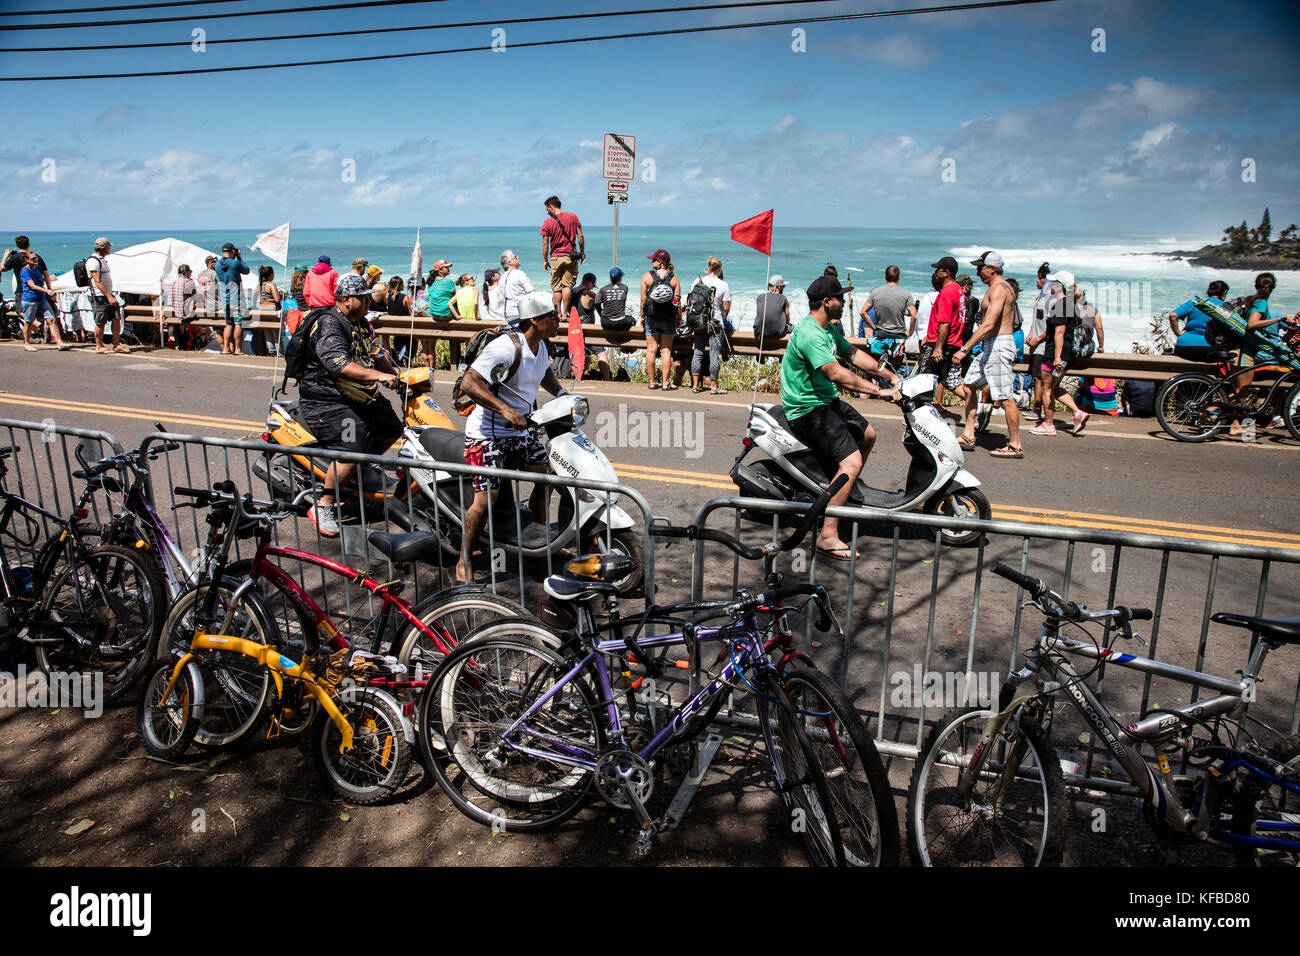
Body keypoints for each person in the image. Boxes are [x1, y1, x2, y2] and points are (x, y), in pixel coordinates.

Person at [781, 275, 900, 560]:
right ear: (826, 302)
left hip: (826, 401)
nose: (844, 301)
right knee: (852, 460)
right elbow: (835, 373)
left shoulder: (828, 329)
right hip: (807, 408)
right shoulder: (810, 333)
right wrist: (877, 391)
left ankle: (845, 488)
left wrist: (888, 375)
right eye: (840, 298)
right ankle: (828, 535)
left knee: (869, 434)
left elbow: (853, 355)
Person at [457, 290, 568, 584]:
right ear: (534, 319)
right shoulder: (505, 347)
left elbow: (542, 372)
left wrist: (562, 393)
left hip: (521, 429)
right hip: (487, 435)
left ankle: (538, 535)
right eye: (552, 316)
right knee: (486, 500)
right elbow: (470, 382)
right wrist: (504, 410)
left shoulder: (541, 345)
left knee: (549, 475)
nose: (558, 320)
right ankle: (464, 559)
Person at [296, 273, 404, 538]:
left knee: (391, 427)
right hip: (325, 399)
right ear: (345, 299)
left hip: (358, 395)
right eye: (362, 298)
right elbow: (340, 365)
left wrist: (394, 373)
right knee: (353, 442)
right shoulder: (329, 325)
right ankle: (324, 505)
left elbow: (376, 353)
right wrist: (379, 377)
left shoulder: (362, 324)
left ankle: (360, 469)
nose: (368, 303)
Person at [956, 251, 1022, 457]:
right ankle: (968, 433)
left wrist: (965, 348)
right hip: (990, 346)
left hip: (999, 345)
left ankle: (1014, 445)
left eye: (980, 267)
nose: (977, 272)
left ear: (991, 268)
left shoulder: (1000, 289)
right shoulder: (994, 288)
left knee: (1004, 396)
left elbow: (989, 324)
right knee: (969, 384)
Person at [1034, 270, 1087, 436]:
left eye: (1052, 283)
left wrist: (1056, 357)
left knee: (1046, 388)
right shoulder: (1071, 304)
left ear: (1059, 286)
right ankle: (1078, 413)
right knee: (1054, 388)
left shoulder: (1062, 304)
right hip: (1066, 352)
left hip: (1055, 354)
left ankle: (1048, 424)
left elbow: (1059, 332)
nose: (1049, 285)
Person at [917, 255, 969, 414]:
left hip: (941, 344)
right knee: (948, 381)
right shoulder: (958, 290)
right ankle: (978, 404)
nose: (936, 273)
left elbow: (945, 323)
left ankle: (920, 415)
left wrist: (938, 347)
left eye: (938, 270)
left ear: (946, 272)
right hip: (953, 342)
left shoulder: (947, 292)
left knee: (924, 379)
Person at [687, 256, 731, 394]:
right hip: (715, 323)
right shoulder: (723, 285)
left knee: (698, 353)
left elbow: (691, 302)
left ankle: (695, 385)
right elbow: (726, 307)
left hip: (699, 322)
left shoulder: (697, 281)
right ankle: (713, 387)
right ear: (719, 269)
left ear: (708, 267)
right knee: (714, 354)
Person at [859, 265, 915, 370]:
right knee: (897, 370)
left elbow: (863, 312)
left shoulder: (876, 292)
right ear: (899, 277)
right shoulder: (906, 294)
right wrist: (910, 332)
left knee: (882, 370)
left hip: (881, 336)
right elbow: (914, 316)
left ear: (885, 277)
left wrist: (873, 326)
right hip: (899, 338)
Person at [640, 249, 681, 390]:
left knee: (651, 350)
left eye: (653, 260)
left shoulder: (647, 277)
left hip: (651, 317)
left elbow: (643, 300)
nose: (651, 262)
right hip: (669, 318)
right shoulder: (674, 279)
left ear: (661, 262)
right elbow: (677, 303)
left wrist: (642, 316)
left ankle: (652, 382)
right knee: (666, 350)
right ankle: (665, 382)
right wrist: (680, 320)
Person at [540, 195, 584, 319]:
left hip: (555, 257)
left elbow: (545, 243)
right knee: (567, 286)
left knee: (556, 287)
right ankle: (565, 314)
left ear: (551, 207)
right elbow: (580, 236)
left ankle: (558, 313)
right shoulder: (573, 217)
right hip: (571, 256)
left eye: (547, 209)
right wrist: (582, 252)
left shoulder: (547, 222)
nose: (547, 211)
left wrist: (545, 260)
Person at [1168, 280, 1229, 361]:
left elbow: (1173, 315)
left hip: (1184, 347)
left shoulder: (1194, 303)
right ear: (1224, 292)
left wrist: (1178, 333)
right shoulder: (1225, 307)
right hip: (1210, 348)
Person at [19, 251, 67, 351]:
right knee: (29, 322)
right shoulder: (25, 271)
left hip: (42, 298)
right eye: (33, 259)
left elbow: (45, 277)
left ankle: (59, 342)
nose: (36, 260)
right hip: (30, 300)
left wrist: (50, 287)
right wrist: (46, 290)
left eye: (35, 258)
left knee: (52, 319)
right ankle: (27, 343)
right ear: (26, 260)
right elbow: (31, 285)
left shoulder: (38, 268)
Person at [86, 237, 126, 354]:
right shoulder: (93, 261)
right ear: (104, 247)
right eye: (109, 246)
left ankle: (116, 344)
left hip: (108, 294)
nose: (110, 248)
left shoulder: (102, 260)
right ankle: (99, 345)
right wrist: (109, 296)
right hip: (100, 296)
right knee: (100, 321)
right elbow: (97, 281)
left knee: (116, 318)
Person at [1026, 262, 1053, 424]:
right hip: (1036, 343)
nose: (1037, 281)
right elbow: (1037, 320)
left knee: (1038, 378)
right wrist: (1030, 334)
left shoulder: (1050, 300)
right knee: (1036, 377)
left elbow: (1051, 325)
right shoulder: (1040, 297)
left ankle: (1037, 409)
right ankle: (1038, 408)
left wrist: (1038, 338)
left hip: (1042, 345)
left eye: (1040, 279)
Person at [214, 243, 249, 355]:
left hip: (225, 299)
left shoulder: (217, 264)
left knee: (228, 324)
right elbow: (246, 270)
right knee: (238, 323)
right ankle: (238, 349)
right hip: (236, 299)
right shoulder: (235, 263)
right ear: (232, 251)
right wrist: (239, 257)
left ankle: (225, 349)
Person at [423, 259, 456, 368]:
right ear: (440, 270)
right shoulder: (449, 282)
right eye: (447, 267)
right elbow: (455, 297)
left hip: (434, 314)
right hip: (446, 315)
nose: (449, 268)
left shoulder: (430, 284)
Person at [498, 249, 534, 328]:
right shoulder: (519, 274)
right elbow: (531, 293)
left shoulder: (501, 278)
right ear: (510, 262)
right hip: (521, 313)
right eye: (515, 257)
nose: (518, 258)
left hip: (508, 314)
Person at [167, 264, 198, 349]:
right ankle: (186, 341)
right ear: (186, 273)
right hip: (187, 313)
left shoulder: (174, 282)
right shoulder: (189, 282)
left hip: (177, 312)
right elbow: (195, 296)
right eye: (190, 271)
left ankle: (180, 341)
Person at [754, 275, 792, 344]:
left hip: (759, 334)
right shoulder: (784, 299)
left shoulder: (760, 298)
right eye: (783, 286)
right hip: (777, 334)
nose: (783, 288)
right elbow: (787, 321)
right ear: (779, 287)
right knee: (791, 327)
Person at [197, 255, 220, 319]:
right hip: (218, 306)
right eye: (214, 262)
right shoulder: (214, 274)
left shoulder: (200, 274)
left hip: (208, 306)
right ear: (211, 263)